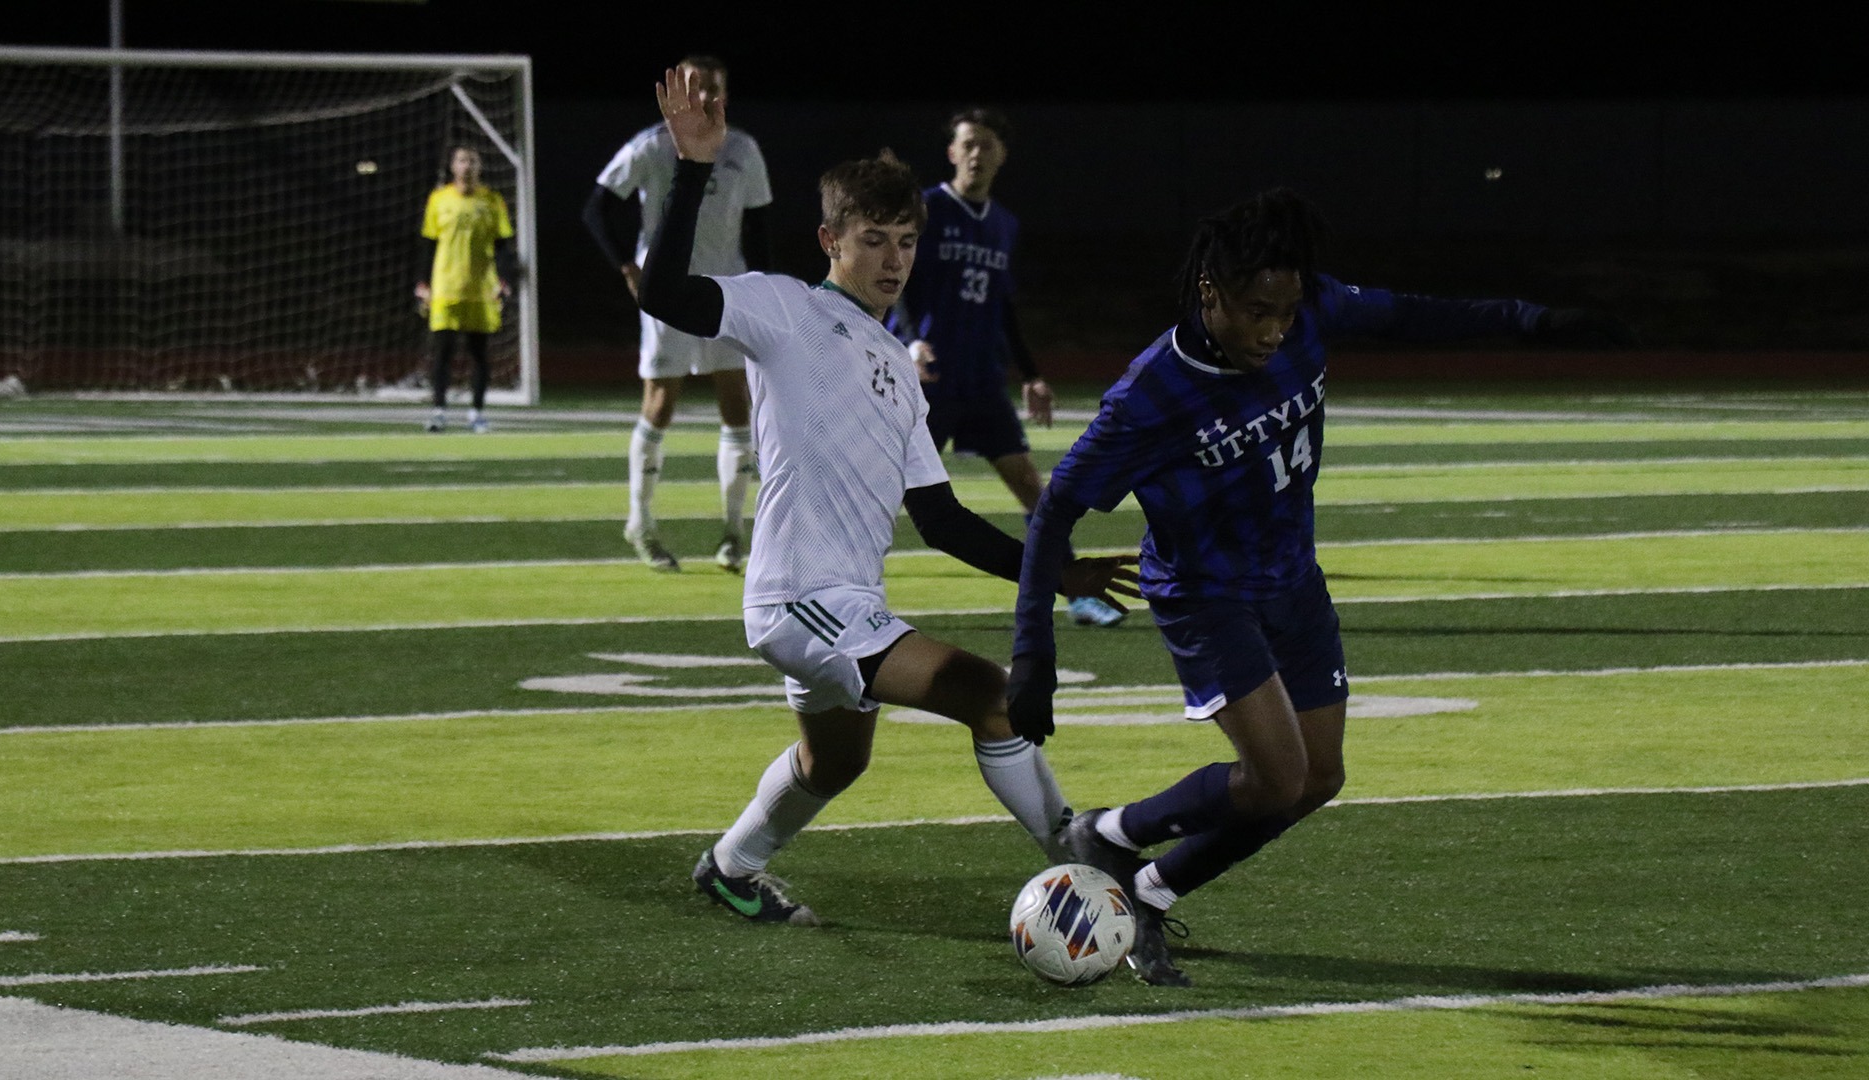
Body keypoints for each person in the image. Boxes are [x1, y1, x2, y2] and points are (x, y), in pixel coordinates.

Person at [1006, 188, 1636, 985]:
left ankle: (1150, 892)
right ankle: (1111, 832)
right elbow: (1056, 509)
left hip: (1293, 583)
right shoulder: (1149, 397)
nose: (1275, 329)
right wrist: (1033, 652)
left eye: (1287, 309)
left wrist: (1535, 321)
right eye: (1257, 311)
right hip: (1208, 593)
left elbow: (1414, 315)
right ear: (1210, 292)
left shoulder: (1306, 314)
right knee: (1273, 778)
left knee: (1318, 780)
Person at [637, 67, 1138, 925]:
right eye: (874, 239)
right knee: (994, 693)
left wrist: (1057, 571)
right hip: (802, 599)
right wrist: (693, 169)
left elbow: (939, 520)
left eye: (907, 241)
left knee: (834, 763)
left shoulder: (903, 378)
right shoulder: (784, 309)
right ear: (829, 238)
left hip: (847, 601)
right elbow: (662, 293)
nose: (894, 260)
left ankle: (730, 866)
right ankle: (1094, 882)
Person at [888, 108, 1124, 628]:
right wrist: (908, 340)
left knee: (1033, 489)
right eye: (968, 143)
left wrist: (1031, 374)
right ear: (952, 152)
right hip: (926, 381)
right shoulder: (925, 210)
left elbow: (1003, 307)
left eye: (986, 144)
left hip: (982, 382)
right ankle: (838, 586)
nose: (976, 153)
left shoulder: (1003, 224)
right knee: (887, 492)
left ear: (1002, 155)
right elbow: (893, 275)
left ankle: (1075, 594)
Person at [584, 54, 773, 574]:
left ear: (726, 94)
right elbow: (597, 206)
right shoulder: (651, 144)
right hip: (666, 291)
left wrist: (765, 290)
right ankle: (639, 522)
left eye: (714, 88)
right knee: (661, 402)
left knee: (737, 403)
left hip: (726, 290)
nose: (706, 97)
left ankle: (733, 533)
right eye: (695, 88)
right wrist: (627, 264)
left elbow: (758, 229)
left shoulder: (743, 149)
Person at [415, 145, 516, 433]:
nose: (467, 165)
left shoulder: (492, 201)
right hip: (445, 287)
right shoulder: (439, 200)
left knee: (479, 355)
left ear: (479, 167)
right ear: (452, 167)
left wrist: (504, 280)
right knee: (443, 353)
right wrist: (422, 282)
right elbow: (429, 243)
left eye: (472, 160)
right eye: (462, 160)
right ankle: (438, 412)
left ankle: (477, 414)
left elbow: (502, 246)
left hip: (481, 289)